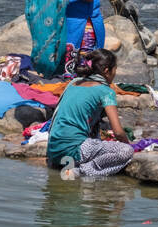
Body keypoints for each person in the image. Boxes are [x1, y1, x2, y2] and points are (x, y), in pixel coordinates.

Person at [46, 48, 134, 179]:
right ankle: (82, 170)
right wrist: (129, 145)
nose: (115, 74)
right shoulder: (105, 91)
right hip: (73, 151)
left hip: (53, 150)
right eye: (115, 69)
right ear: (106, 71)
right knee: (126, 151)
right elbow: (118, 132)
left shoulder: (73, 83)